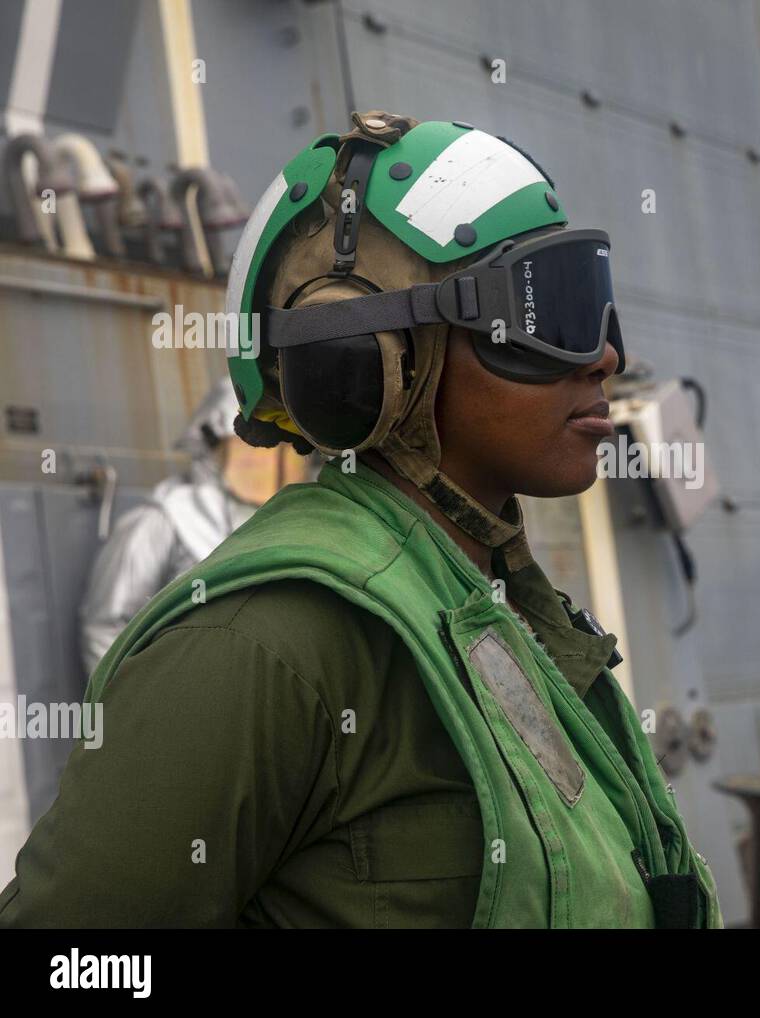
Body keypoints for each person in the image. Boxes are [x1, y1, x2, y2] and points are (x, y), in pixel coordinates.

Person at [0, 111, 722, 928]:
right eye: (545, 308)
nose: (603, 356)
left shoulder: (498, 611)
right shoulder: (265, 646)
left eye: (597, 307)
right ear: (369, 356)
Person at [77, 383, 313, 677]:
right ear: (212, 445)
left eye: (281, 451)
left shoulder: (295, 524)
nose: (265, 463)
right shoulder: (162, 520)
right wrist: (143, 716)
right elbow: (108, 626)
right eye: (252, 448)